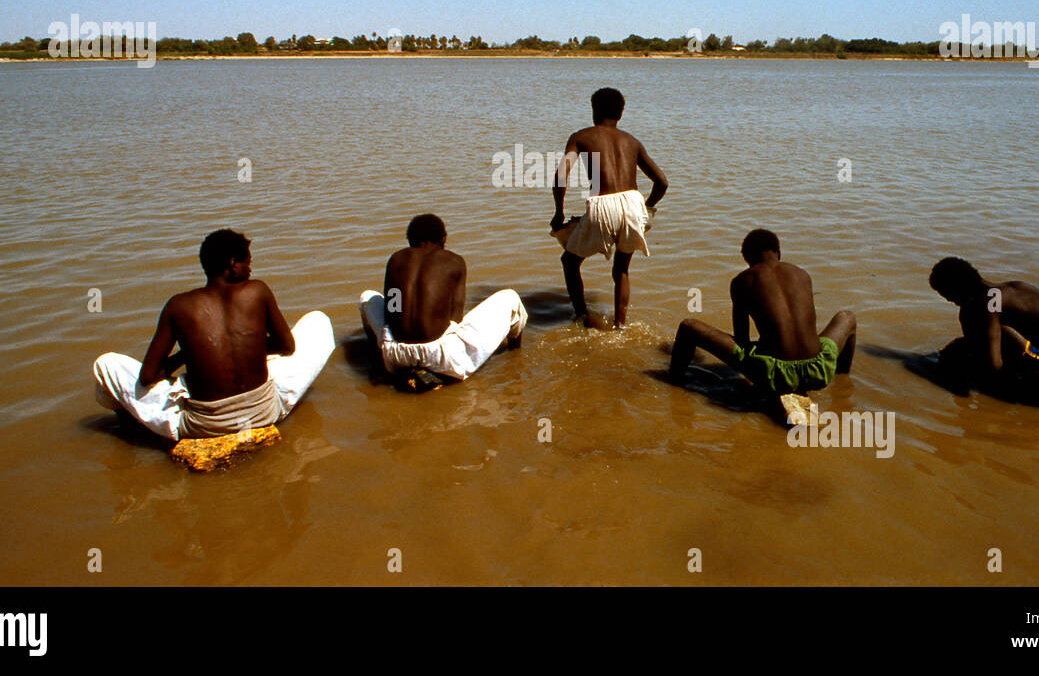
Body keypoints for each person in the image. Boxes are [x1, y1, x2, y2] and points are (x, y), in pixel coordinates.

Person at [92, 229, 333, 440]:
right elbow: (287, 347)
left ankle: (127, 426)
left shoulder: (178, 305)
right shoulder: (258, 291)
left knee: (106, 363)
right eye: (248, 262)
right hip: (263, 413)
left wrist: (185, 356)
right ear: (233, 264)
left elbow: (147, 376)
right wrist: (251, 347)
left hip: (204, 426)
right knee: (318, 321)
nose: (251, 268)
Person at [668, 229, 856, 400]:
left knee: (688, 326)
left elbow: (742, 340)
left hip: (775, 374)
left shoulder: (743, 280)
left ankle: (673, 385)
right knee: (847, 318)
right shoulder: (802, 274)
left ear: (748, 259)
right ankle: (841, 383)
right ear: (778, 253)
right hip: (818, 369)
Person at [359, 214, 526, 392]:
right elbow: (456, 318)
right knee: (511, 298)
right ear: (444, 238)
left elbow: (392, 310)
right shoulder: (454, 261)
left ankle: (382, 366)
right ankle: (514, 356)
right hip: (440, 356)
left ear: (410, 240)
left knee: (367, 297)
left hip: (395, 353)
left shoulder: (396, 259)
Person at [551, 87, 668, 327]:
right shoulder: (632, 141)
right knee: (622, 270)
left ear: (594, 110)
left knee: (569, 262)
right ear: (621, 113)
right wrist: (646, 207)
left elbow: (560, 177)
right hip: (634, 202)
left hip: (602, 202)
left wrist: (559, 212)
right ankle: (621, 325)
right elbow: (662, 182)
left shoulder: (581, 136)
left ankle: (582, 315)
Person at [928, 256, 1039, 413]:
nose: (950, 301)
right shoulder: (1013, 288)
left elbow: (993, 367)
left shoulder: (985, 304)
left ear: (957, 288)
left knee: (985, 347)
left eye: (947, 295)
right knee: (982, 342)